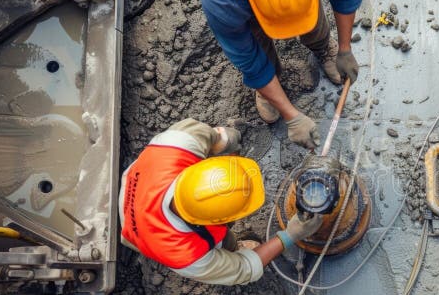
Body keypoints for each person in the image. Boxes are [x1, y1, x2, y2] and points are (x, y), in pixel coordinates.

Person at [118, 118, 323, 285]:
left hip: (134, 187)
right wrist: (290, 235)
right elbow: (245, 268)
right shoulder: (188, 257)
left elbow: (211, 135)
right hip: (136, 235)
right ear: (219, 221)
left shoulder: (178, 143)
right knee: (226, 248)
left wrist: (226, 138)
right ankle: (232, 246)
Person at [198, 0, 362, 150]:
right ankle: (270, 83)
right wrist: (291, 116)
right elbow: (247, 58)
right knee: (257, 40)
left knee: (306, 11)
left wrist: (345, 49)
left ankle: (322, 45)